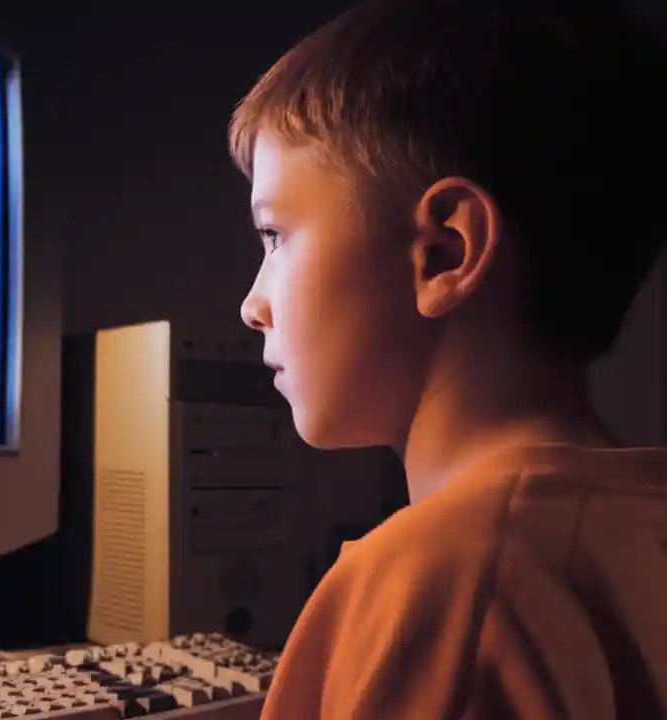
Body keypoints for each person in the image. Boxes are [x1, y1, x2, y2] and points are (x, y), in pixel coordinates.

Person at [231, 0, 667, 716]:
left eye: (274, 235)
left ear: (444, 253)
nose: (253, 304)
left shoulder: (439, 587)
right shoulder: (640, 527)